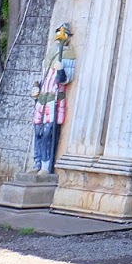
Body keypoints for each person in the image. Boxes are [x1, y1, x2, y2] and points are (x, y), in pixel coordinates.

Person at [31, 24, 75, 174]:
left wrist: (61, 69)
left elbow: (65, 79)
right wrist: (36, 87)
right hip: (43, 97)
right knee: (38, 131)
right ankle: (37, 162)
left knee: (49, 132)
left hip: (55, 99)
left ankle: (45, 165)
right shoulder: (50, 54)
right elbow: (43, 76)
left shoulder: (68, 55)